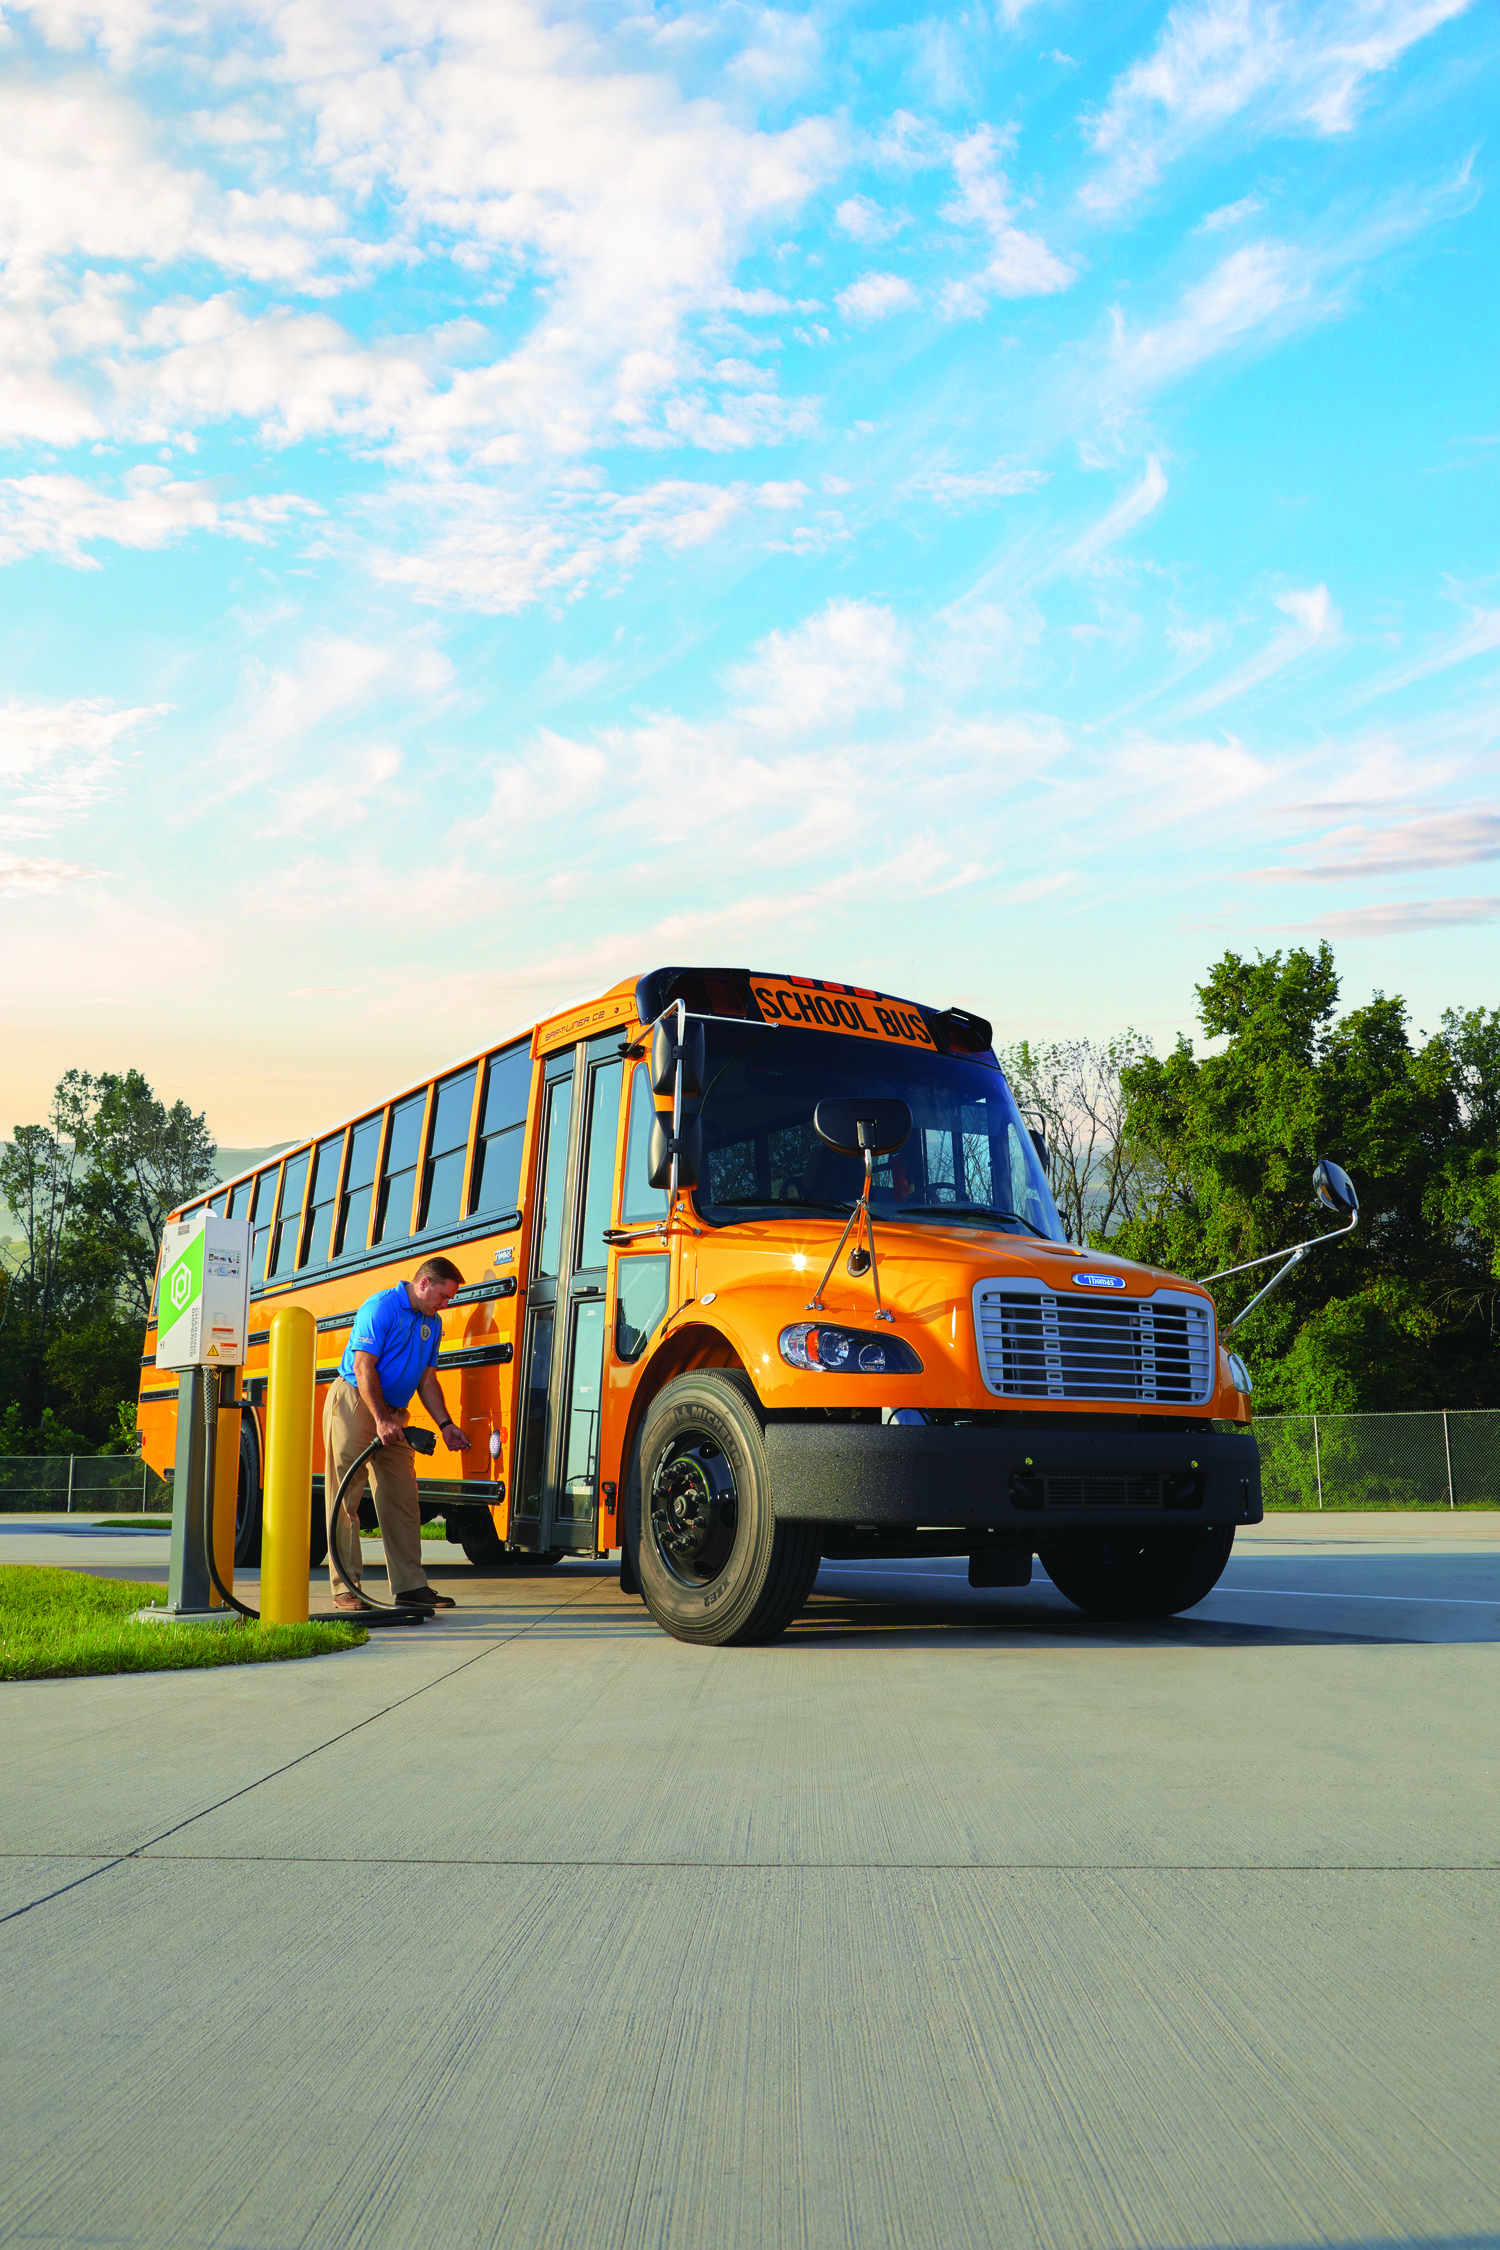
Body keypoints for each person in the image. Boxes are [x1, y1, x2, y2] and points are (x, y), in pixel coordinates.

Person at [323, 1254, 471, 1613]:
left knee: (403, 1499)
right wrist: (380, 1419)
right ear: (424, 1284)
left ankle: (410, 1587)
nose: (446, 1304)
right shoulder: (381, 1307)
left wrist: (446, 1425)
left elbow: (426, 1378)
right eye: (444, 1296)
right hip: (356, 1402)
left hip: (393, 1413)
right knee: (345, 1499)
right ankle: (346, 1589)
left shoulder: (431, 1324)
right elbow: (363, 1365)